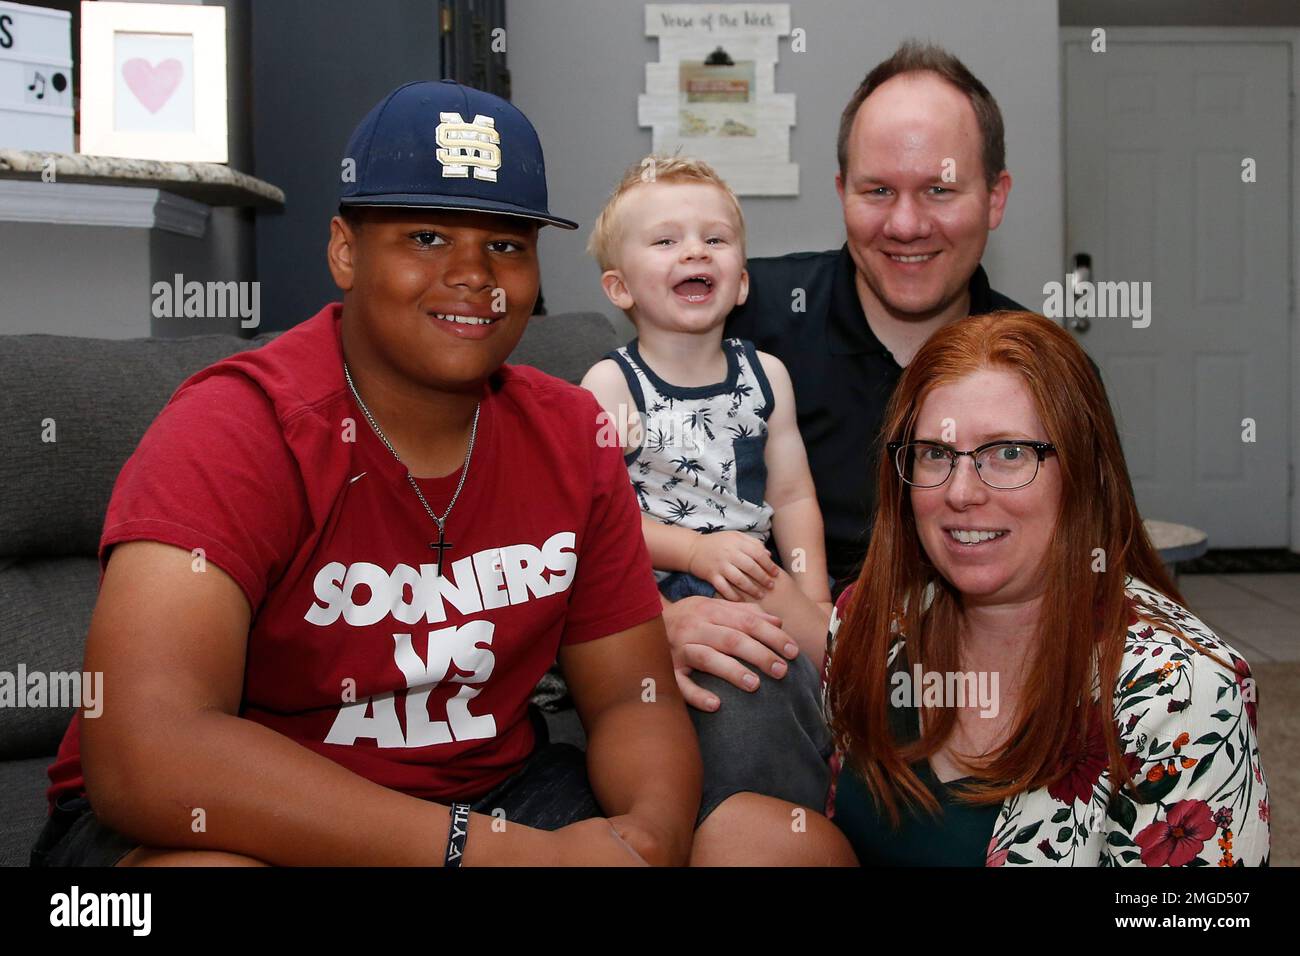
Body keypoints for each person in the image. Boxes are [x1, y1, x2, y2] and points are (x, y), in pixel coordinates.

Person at [29, 80, 850, 868]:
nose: (474, 275)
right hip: (250, 818)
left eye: (505, 245)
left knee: (779, 843)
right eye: (426, 237)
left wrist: (647, 838)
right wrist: (491, 856)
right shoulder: (233, 429)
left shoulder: (572, 434)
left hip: (497, 795)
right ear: (345, 251)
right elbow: (145, 754)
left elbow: (629, 699)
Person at [823, 310, 1269, 866]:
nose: (961, 492)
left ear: (1086, 472)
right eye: (936, 453)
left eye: (1009, 453)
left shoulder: (1182, 696)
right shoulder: (869, 618)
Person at [581, 155, 832, 661]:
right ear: (620, 288)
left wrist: (817, 597)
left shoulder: (767, 376)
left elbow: (793, 495)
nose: (695, 250)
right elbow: (601, 520)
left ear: (740, 282)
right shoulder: (611, 385)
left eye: (714, 239)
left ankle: (844, 685)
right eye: (666, 241)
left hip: (757, 572)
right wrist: (696, 551)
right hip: (659, 588)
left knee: (818, 635)